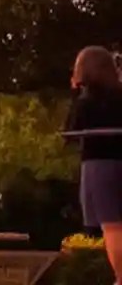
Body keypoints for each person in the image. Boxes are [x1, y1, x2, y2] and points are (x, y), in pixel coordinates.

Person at [65, 46, 122, 282]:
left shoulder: (86, 100)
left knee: (113, 226)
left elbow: (69, 133)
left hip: (100, 166)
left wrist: (74, 93)